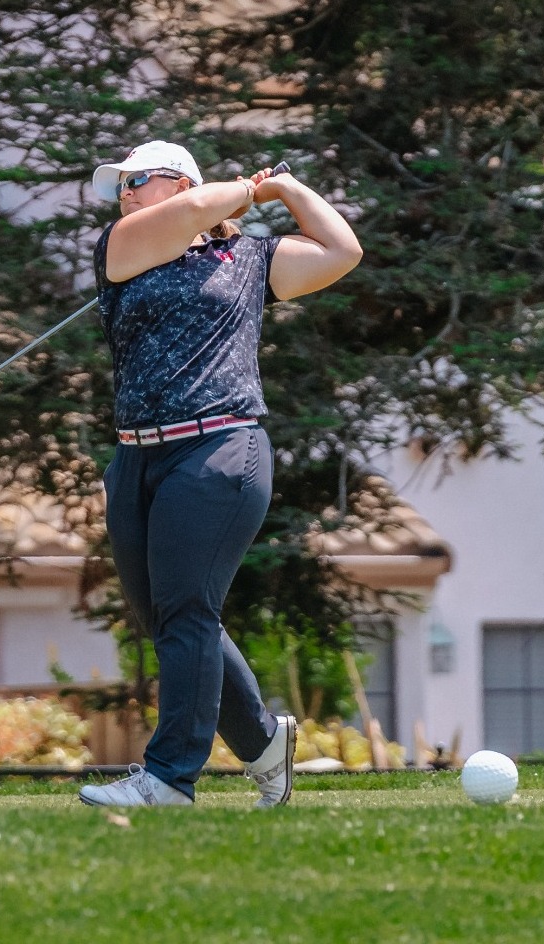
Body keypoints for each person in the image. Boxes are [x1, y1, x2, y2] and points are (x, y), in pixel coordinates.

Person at [77, 141, 363, 808]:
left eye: (138, 180)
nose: (125, 192)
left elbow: (341, 251)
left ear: (178, 182)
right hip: (136, 459)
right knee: (169, 618)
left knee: (185, 611)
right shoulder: (121, 248)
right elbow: (200, 208)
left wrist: (289, 193)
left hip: (219, 452)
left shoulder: (250, 260)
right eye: (122, 183)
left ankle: (171, 777)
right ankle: (265, 745)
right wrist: (252, 190)